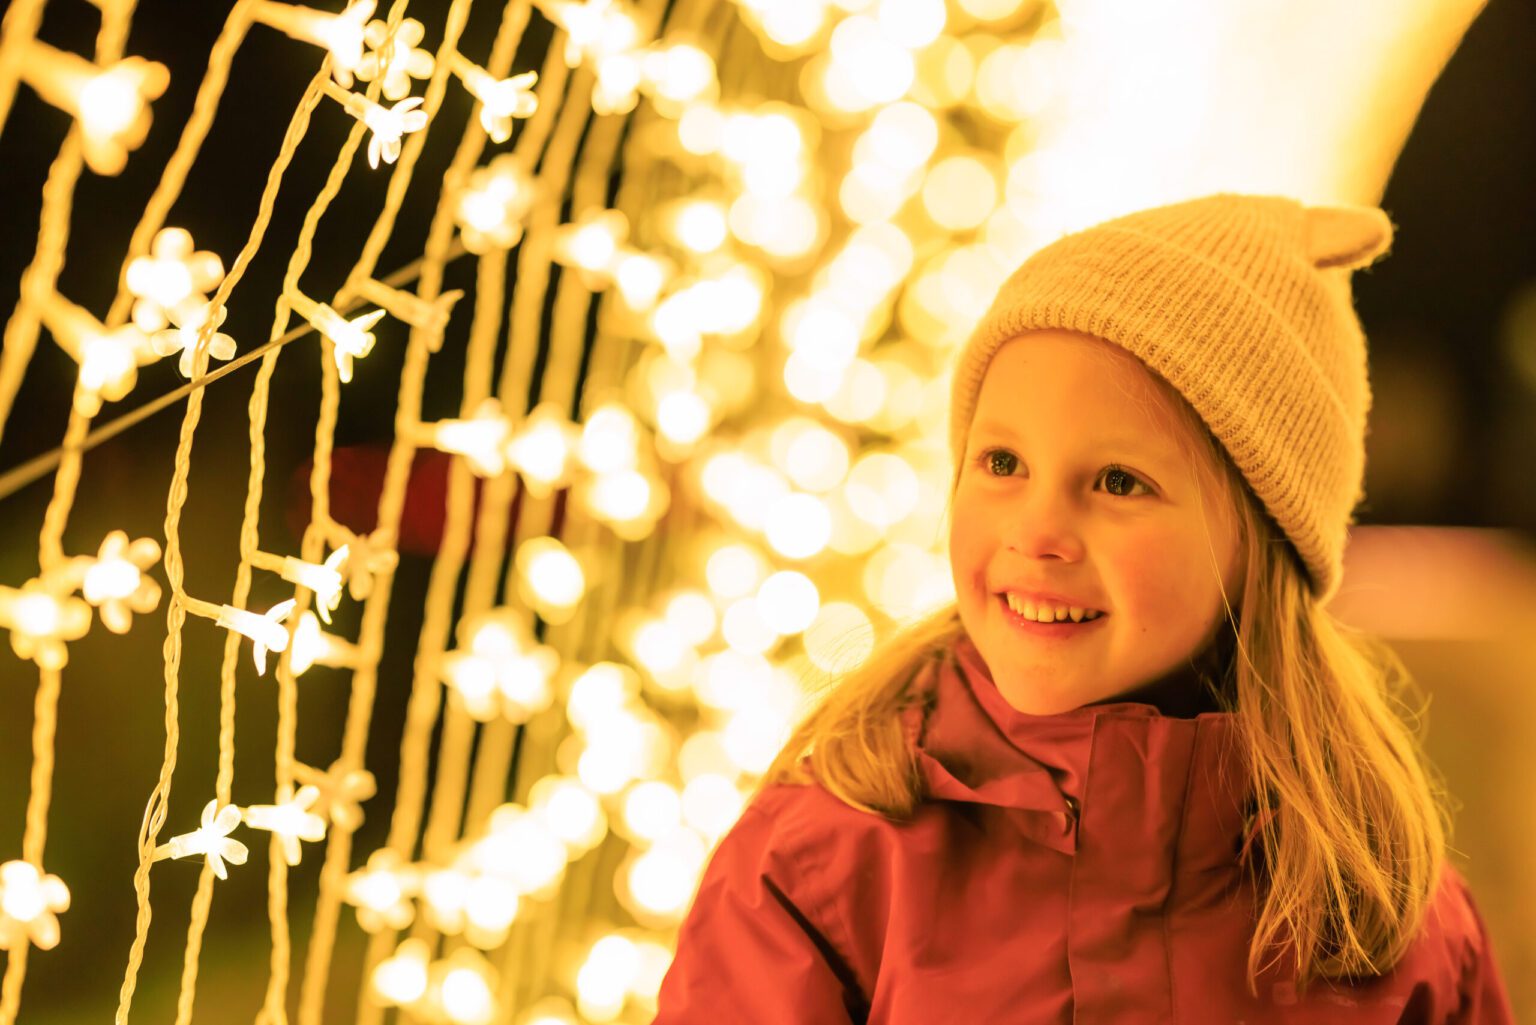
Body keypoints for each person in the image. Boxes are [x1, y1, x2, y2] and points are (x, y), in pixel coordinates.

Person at [649, 194, 1517, 1023]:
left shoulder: (1386, 915)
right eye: (1001, 463)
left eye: (1117, 481)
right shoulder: (824, 863)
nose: (1038, 532)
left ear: (1260, 540)